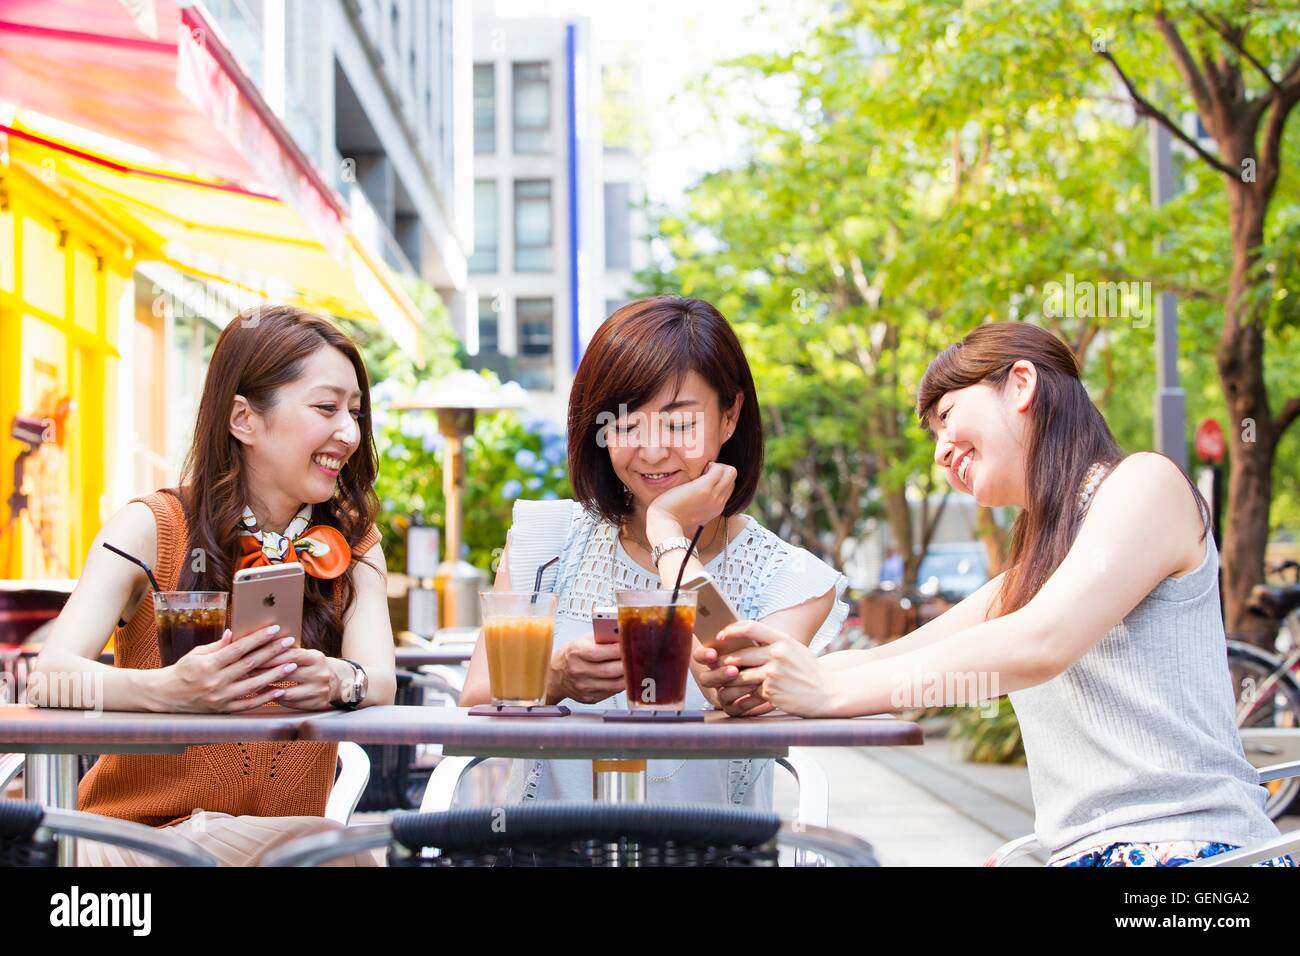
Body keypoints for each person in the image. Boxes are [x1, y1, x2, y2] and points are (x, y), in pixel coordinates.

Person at [700, 322, 1295, 867]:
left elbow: (1042, 643)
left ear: (1020, 384)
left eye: (948, 415)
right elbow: (896, 656)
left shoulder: (1146, 483)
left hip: (1198, 857)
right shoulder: (1037, 565)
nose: (938, 453)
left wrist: (826, 689)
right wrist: (775, 683)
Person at [30, 305, 395, 866]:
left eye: (355, 412)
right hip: (131, 841)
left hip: (278, 848)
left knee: (331, 854)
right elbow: (50, 678)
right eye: (327, 408)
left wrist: (337, 678)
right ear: (243, 419)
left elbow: (380, 683)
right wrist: (171, 691)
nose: (348, 432)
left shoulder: (353, 544)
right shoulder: (152, 525)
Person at [459, 295, 848, 805]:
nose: (653, 450)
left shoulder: (790, 578)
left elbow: (734, 685)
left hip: (714, 857)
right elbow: (475, 698)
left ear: (730, 416)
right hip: (548, 849)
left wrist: (668, 533)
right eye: (626, 423)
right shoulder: (546, 540)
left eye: (679, 423)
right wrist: (553, 678)